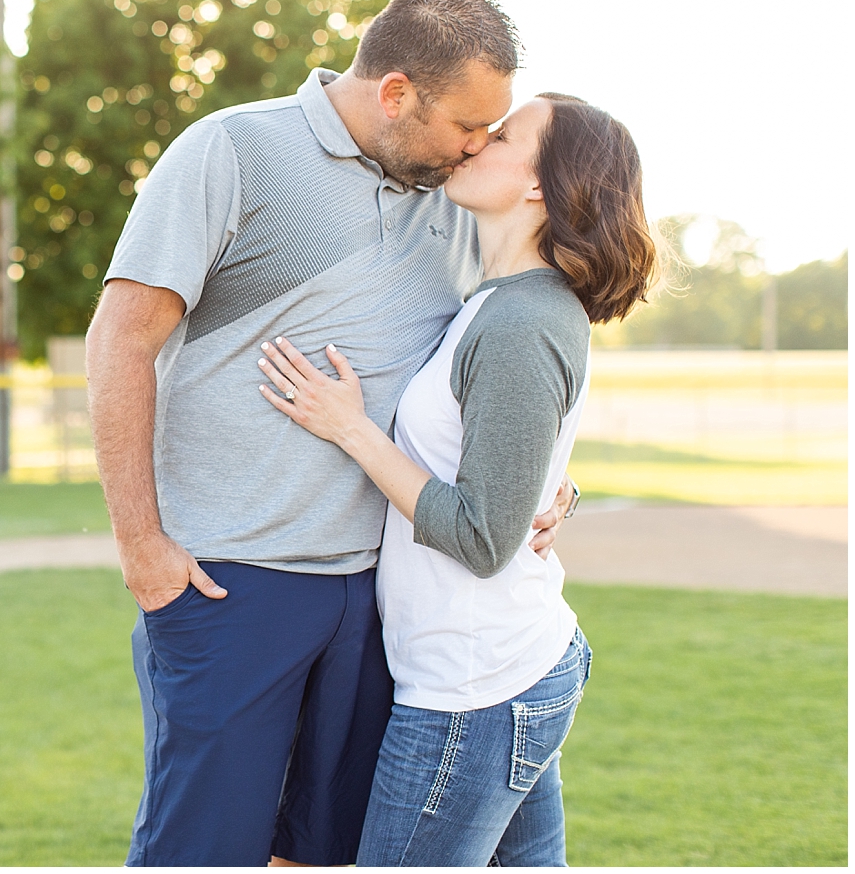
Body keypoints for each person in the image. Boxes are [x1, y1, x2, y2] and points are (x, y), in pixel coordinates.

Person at [85, 0, 575, 867]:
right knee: (202, 849)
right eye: (468, 126)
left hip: (378, 592)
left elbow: (505, 368)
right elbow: (119, 340)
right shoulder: (231, 151)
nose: (477, 147)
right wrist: (140, 544)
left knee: (323, 852)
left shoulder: (456, 203)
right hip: (233, 580)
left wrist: (550, 484)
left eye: (493, 133)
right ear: (395, 93)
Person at [254, 93, 655, 865]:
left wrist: (349, 427)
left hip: (474, 692)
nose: (472, 144)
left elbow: (481, 537)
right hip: (502, 674)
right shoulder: (498, 301)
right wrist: (556, 490)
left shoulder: (521, 320)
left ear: (540, 183)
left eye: (501, 135)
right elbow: (506, 453)